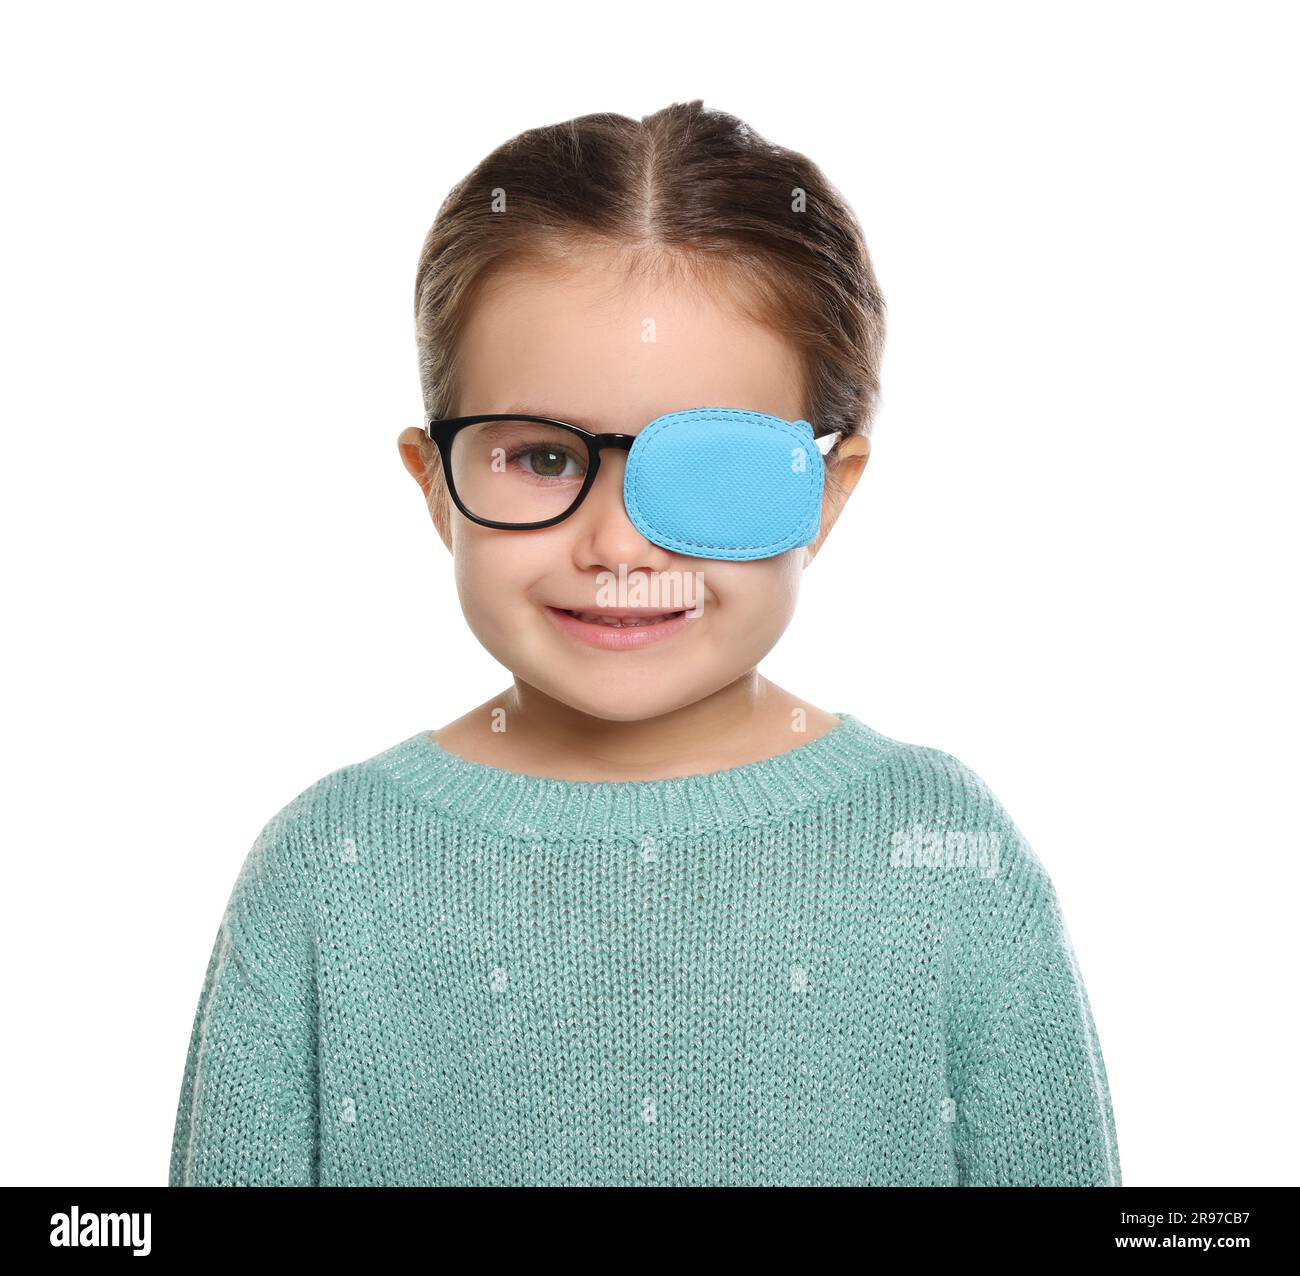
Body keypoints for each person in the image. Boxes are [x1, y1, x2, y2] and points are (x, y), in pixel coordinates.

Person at [168, 100, 1121, 1187]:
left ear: (825, 495)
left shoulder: (946, 861)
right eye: (537, 457)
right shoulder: (322, 874)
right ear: (435, 486)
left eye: (705, 469)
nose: (617, 540)